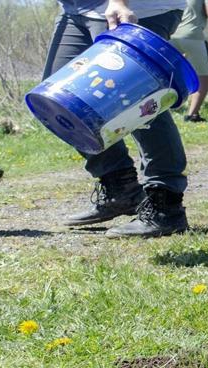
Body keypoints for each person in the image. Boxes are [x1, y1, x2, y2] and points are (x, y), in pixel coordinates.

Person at [46, 0, 191, 236]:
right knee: (59, 98)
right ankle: (120, 186)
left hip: (131, 9)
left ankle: (165, 204)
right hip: (77, 9)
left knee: (136, 98)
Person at [169, 0, 208, 121]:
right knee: (203, 79)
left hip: (171, 35)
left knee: (169, 76)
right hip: (192, 36)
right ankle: (192, 114)